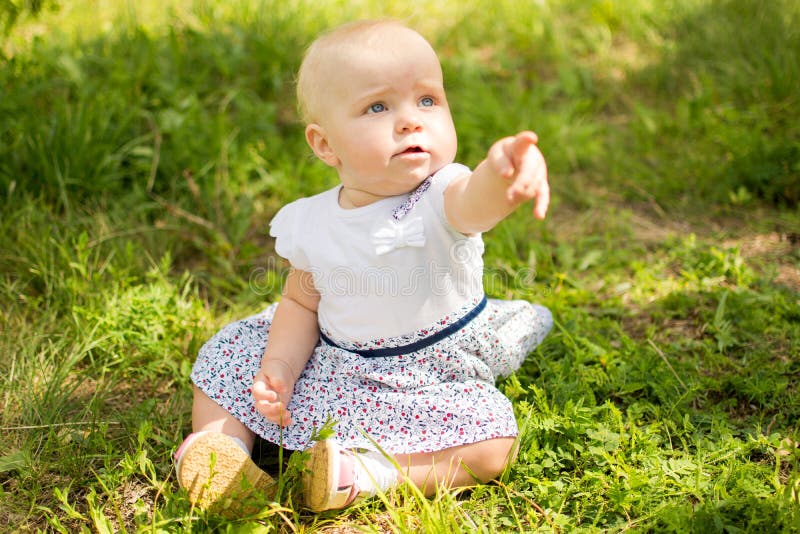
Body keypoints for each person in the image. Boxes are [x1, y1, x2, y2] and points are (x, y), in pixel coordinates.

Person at [175, 18, 553, 514]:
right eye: (378, 107)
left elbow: (475, 203)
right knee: (230, 356)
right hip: (334, 360)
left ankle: (363, 474)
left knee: (492, 443)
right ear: (325, 144)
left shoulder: (441, 195)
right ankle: (219, 452)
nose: (410, 120)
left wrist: (501, 174)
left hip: (426, 375)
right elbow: (300, 301)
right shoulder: (310, 221)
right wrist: (281, 368)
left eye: (427, 100)